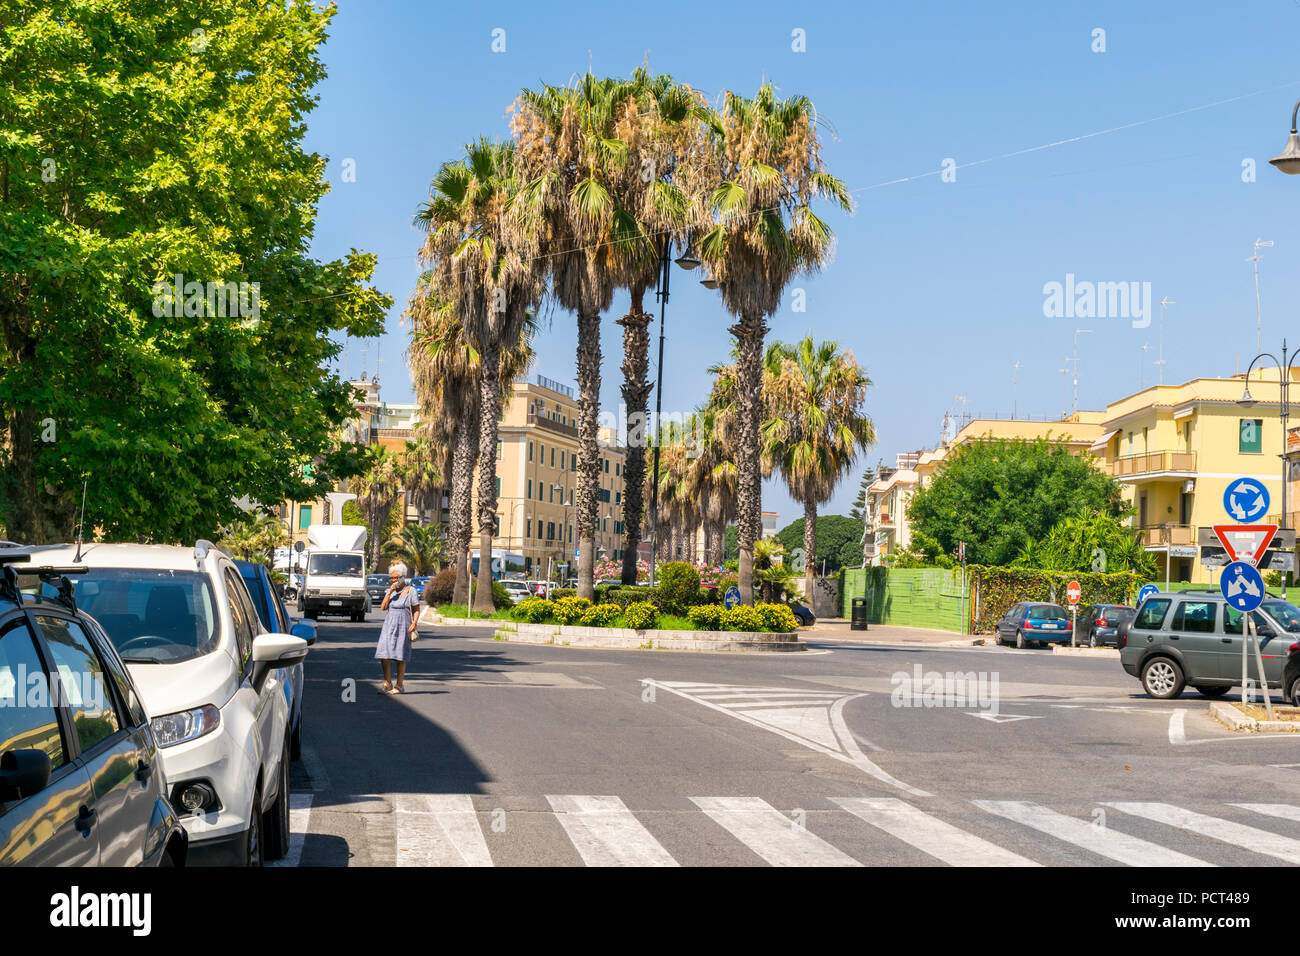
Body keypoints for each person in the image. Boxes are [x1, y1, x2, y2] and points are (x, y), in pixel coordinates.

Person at [375, 561, 417, 694]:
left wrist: (414, 623)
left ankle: (399, 685)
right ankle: (387, 682)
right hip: (389, 625)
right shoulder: (390, 591)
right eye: (392, 578)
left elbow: (416, 609)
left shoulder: (411, 591)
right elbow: (383, 607)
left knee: (400, 655)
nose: (394, 580)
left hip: (403, 625)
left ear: (403, 577)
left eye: (396, 578)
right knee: (383, 653)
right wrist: (390, 592)